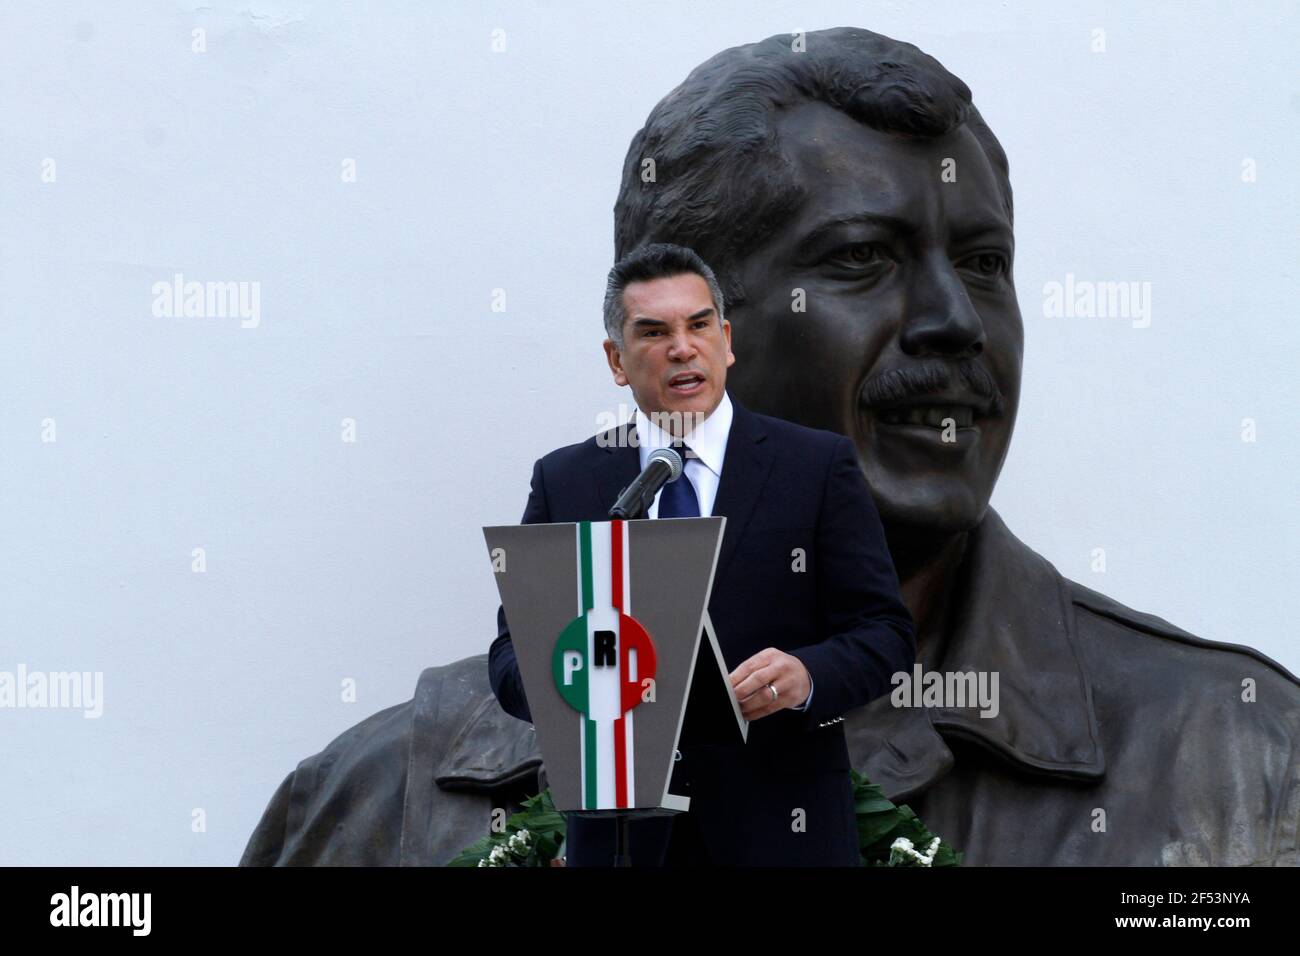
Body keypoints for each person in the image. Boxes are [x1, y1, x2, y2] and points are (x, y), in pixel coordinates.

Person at [240, 26, 1300, 867]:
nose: (953, 321)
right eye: (860, 259)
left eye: (982, 262)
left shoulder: (1239, 760)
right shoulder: (385, 799)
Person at [487, 243, 915, 865]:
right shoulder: (568, 479)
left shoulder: (815, 466)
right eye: (654, 332)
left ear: (728, 340)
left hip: (780, 833)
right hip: (622, 840)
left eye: (699, 325)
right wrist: (577, 697)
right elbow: (510, 655)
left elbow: (886, 635)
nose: (682, 348)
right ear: (616, 360)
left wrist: (806, 675)